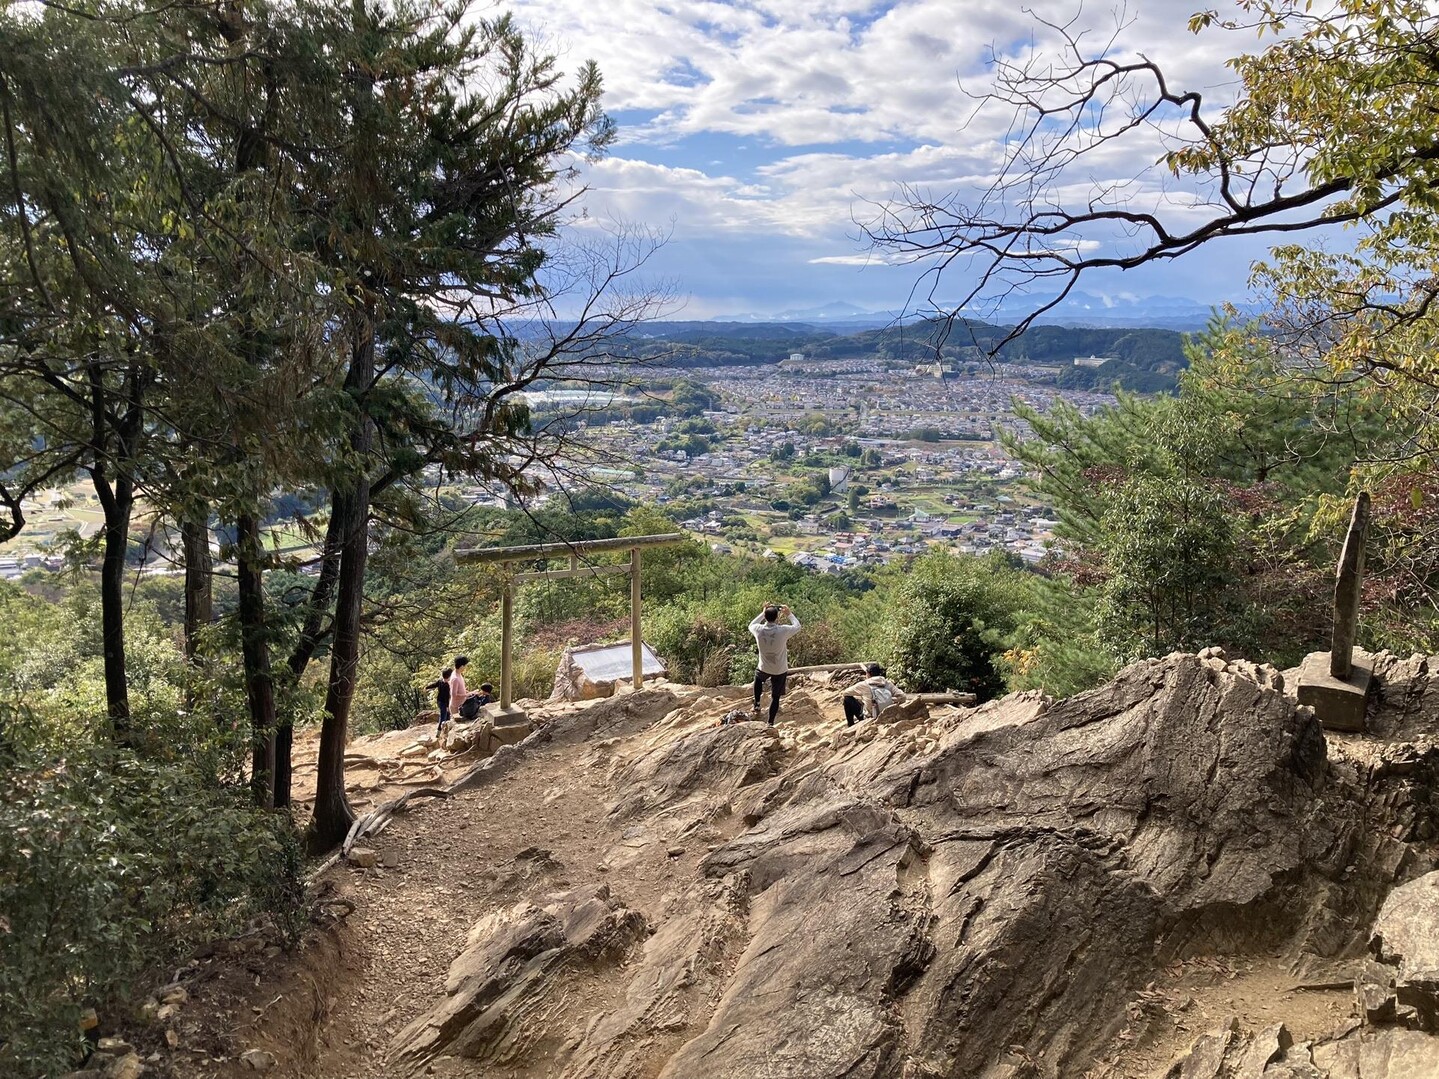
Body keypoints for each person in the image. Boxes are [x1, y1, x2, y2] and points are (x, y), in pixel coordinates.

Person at [749, 603, 800, 725]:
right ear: (777, 617)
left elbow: (751, 624)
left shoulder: (758, 630)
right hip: (779, 669)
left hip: (764, 667)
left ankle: (757, 704)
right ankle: (770, 723)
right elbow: (797, 626)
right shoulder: (783, 630)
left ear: (766, 617)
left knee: (758, 679)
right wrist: (789, 614)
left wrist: (762, 613)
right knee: (775, 697)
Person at [841, 663, 906, 727]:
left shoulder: (864, 684)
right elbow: (903, 697)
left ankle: (851, 725)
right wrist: (890, 700)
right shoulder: (888, 683)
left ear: (868, 674)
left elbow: (845, 693)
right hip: (887, 715)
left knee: (847, 699)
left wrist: (862, 699)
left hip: (870, 718)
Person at [426, 666, 453, 736]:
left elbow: (434, 685)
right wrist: (447, 706)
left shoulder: (440, 681)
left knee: (447, 716)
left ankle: (447, 730)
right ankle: (439, 732)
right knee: (443, 717)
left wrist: (427, 687)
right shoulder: (447, 685)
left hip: (439, 701)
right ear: (449, 676)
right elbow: (446, 697)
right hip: (444, 703)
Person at [449, 656, 471, 721]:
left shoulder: (459, 674)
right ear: (461, 666)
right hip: (456, 707)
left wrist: (467, 692)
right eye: (465, 666)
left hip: (461, 705)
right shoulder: (455, 678)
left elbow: (459, 689)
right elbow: (454, 695)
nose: (465, 668)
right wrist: (467, 695)